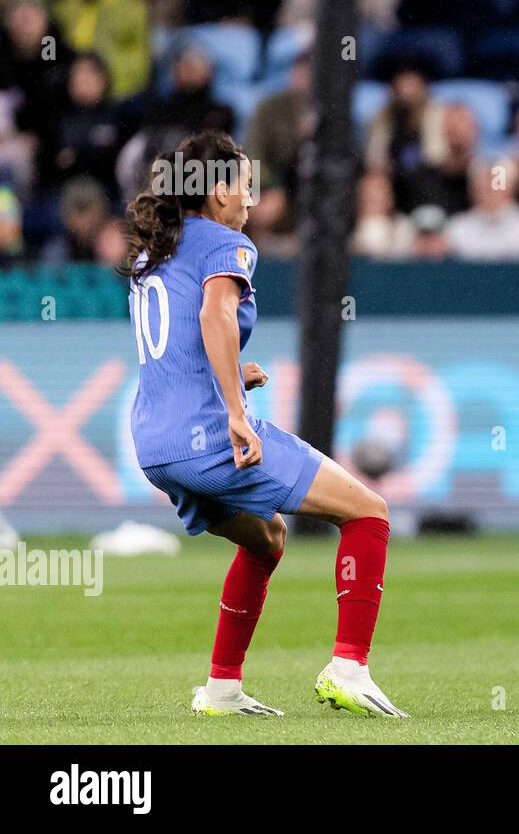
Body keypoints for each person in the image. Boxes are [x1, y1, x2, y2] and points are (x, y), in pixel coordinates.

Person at [121, 130, 407, 718]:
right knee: (369, 514)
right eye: (248, 188)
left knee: (267, 538)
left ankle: (222, 689)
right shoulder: (226, 241)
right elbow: (214, 312)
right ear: (220, 192)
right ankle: (349, 667)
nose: (251, 201)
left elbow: (176, 341)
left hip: (155, 445)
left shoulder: (157, 251)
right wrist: (232, 410)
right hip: (209, 437)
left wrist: (230, 377)